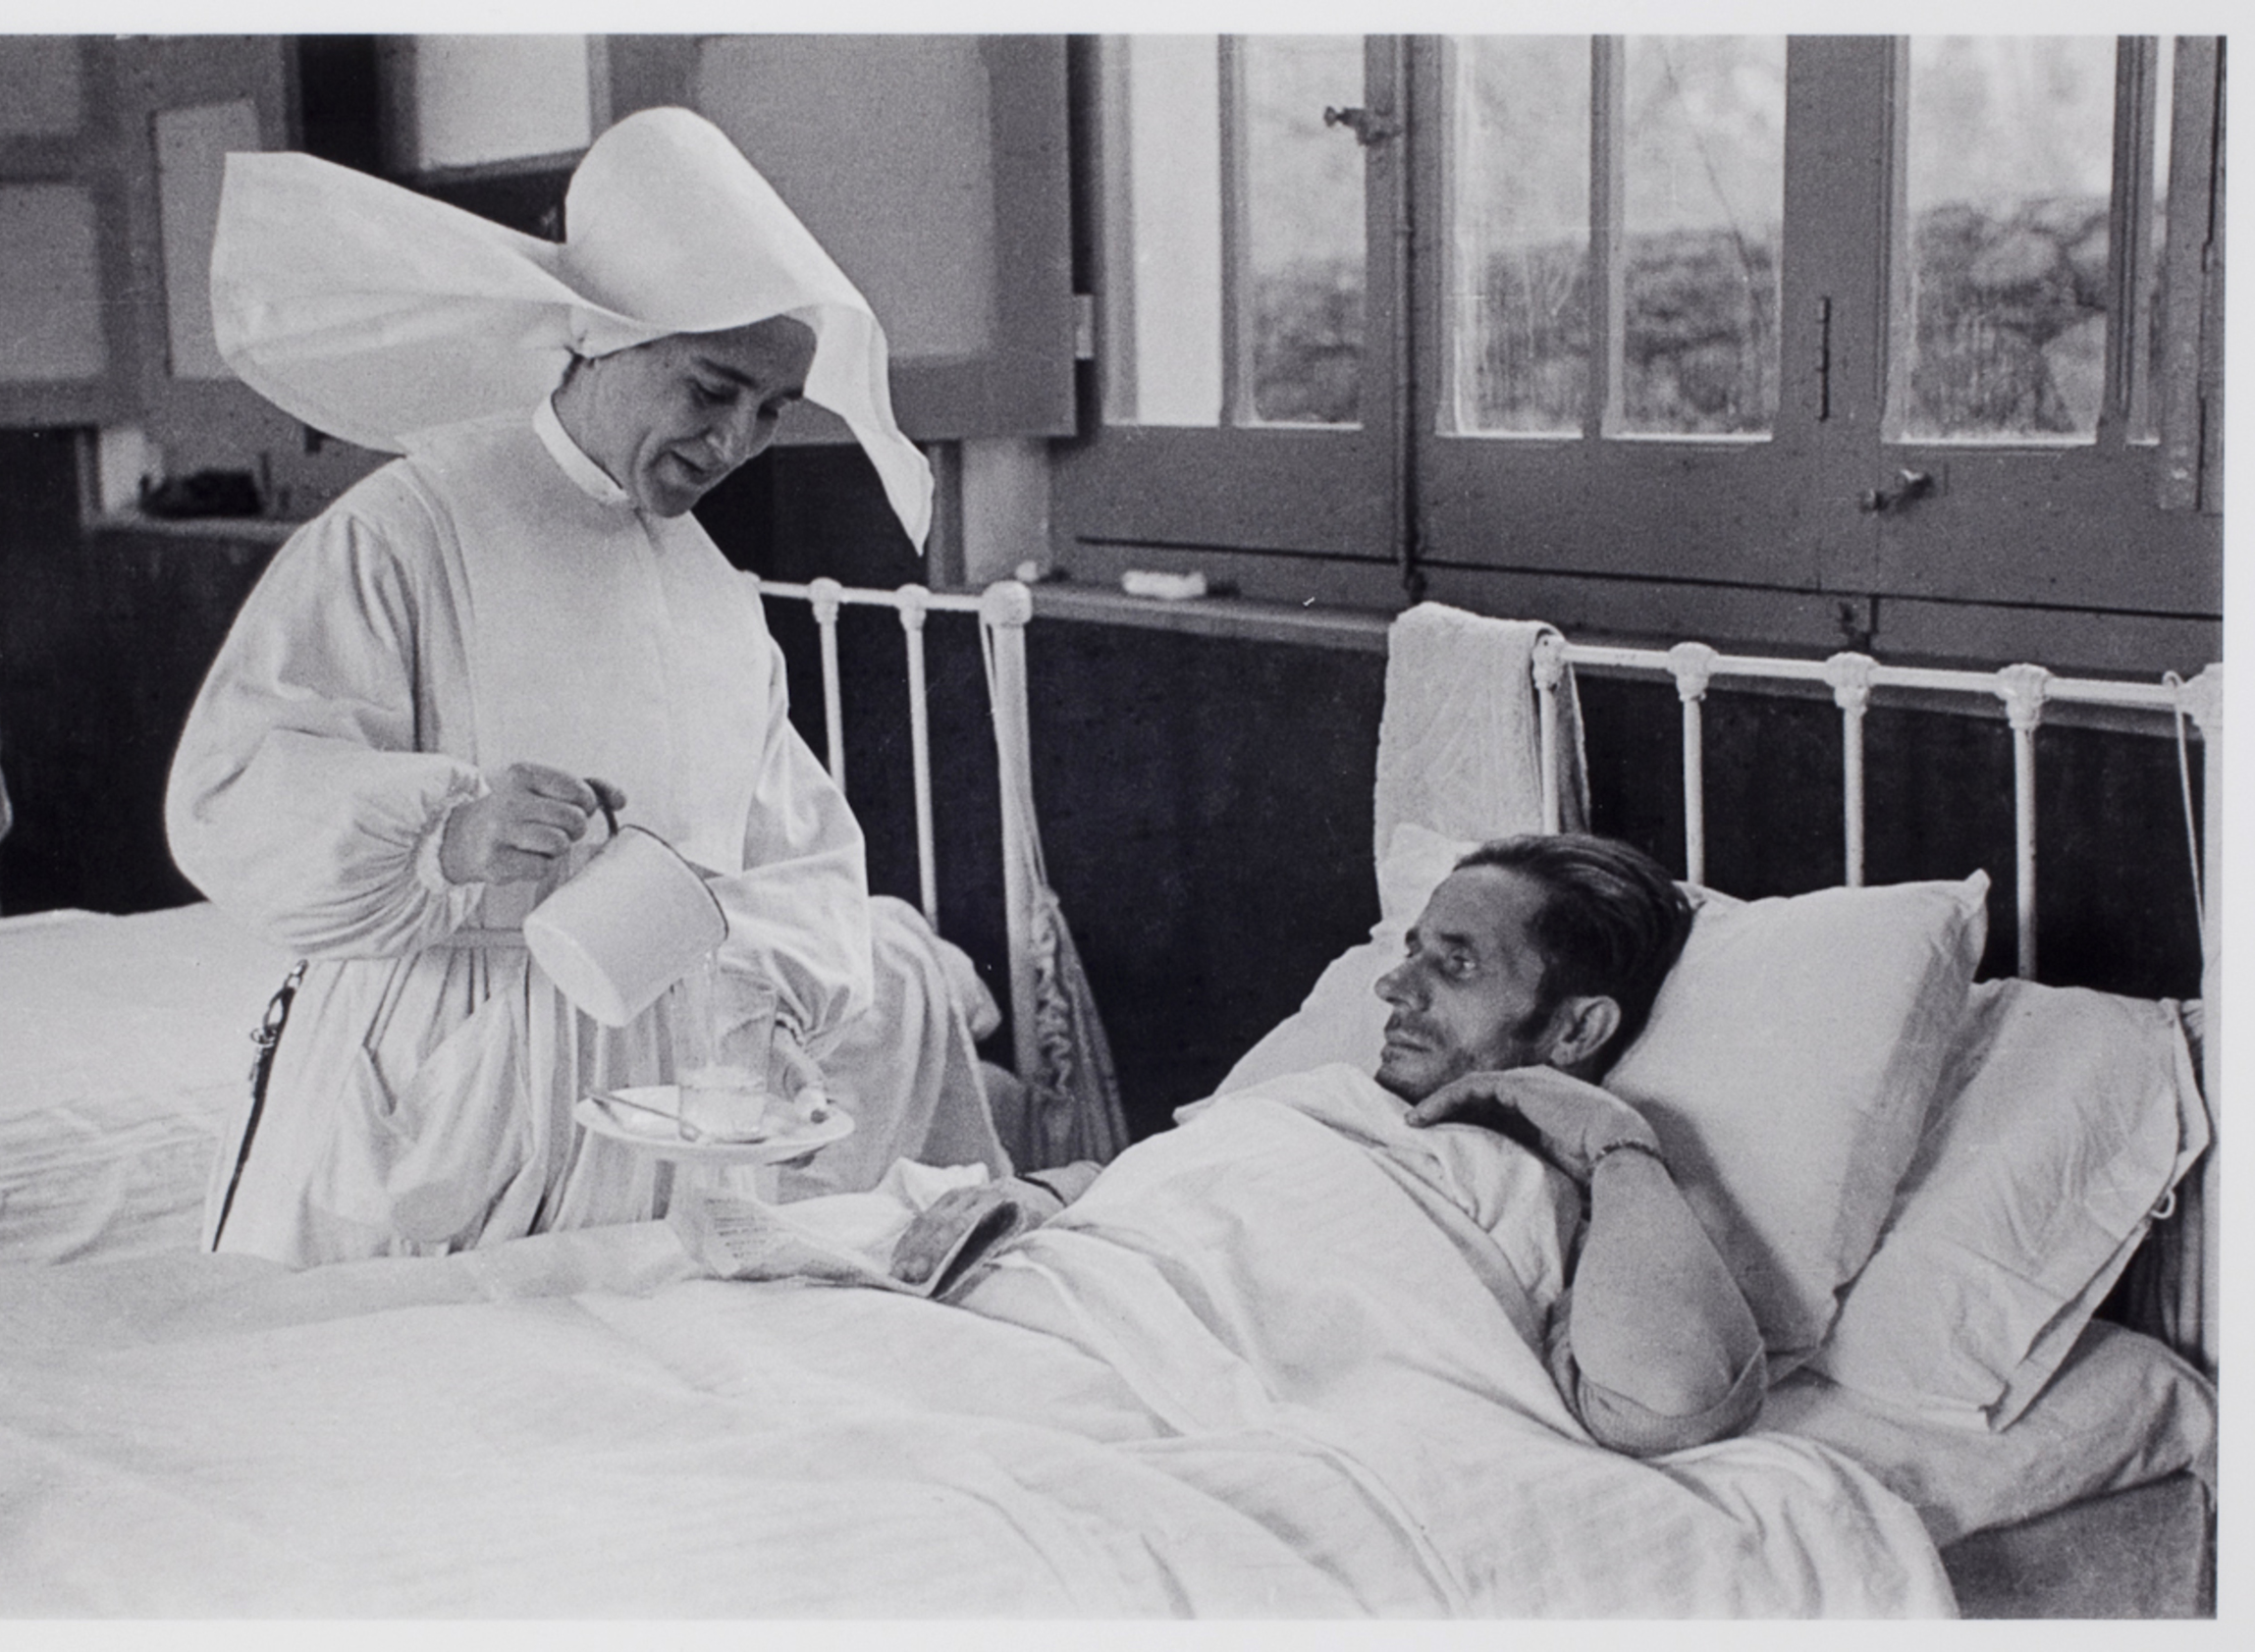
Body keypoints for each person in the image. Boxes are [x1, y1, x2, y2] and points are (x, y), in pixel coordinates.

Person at [169, 108, 1003, 1265]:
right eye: (711, 390)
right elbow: (235, 787)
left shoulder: (712, 590)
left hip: (652, 1102)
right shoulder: (408, 528)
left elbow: (803, 854)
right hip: (436, 1072)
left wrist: (764, 1005)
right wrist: (450, 832)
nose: (734, 442)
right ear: (600, 342)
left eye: (770, 412)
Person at [891, 832, 1765, 1457]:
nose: (1393, 982)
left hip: (1132, 1404)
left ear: (1578, 1029)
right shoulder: (1323, 1096)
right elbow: (1178, 1183)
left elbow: (1670, 1397)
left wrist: (1616, 1146)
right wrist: (1045, 1194)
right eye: (1413, 949)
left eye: (1455, 964)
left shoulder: (1561, 1195)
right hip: (1026, 1316)